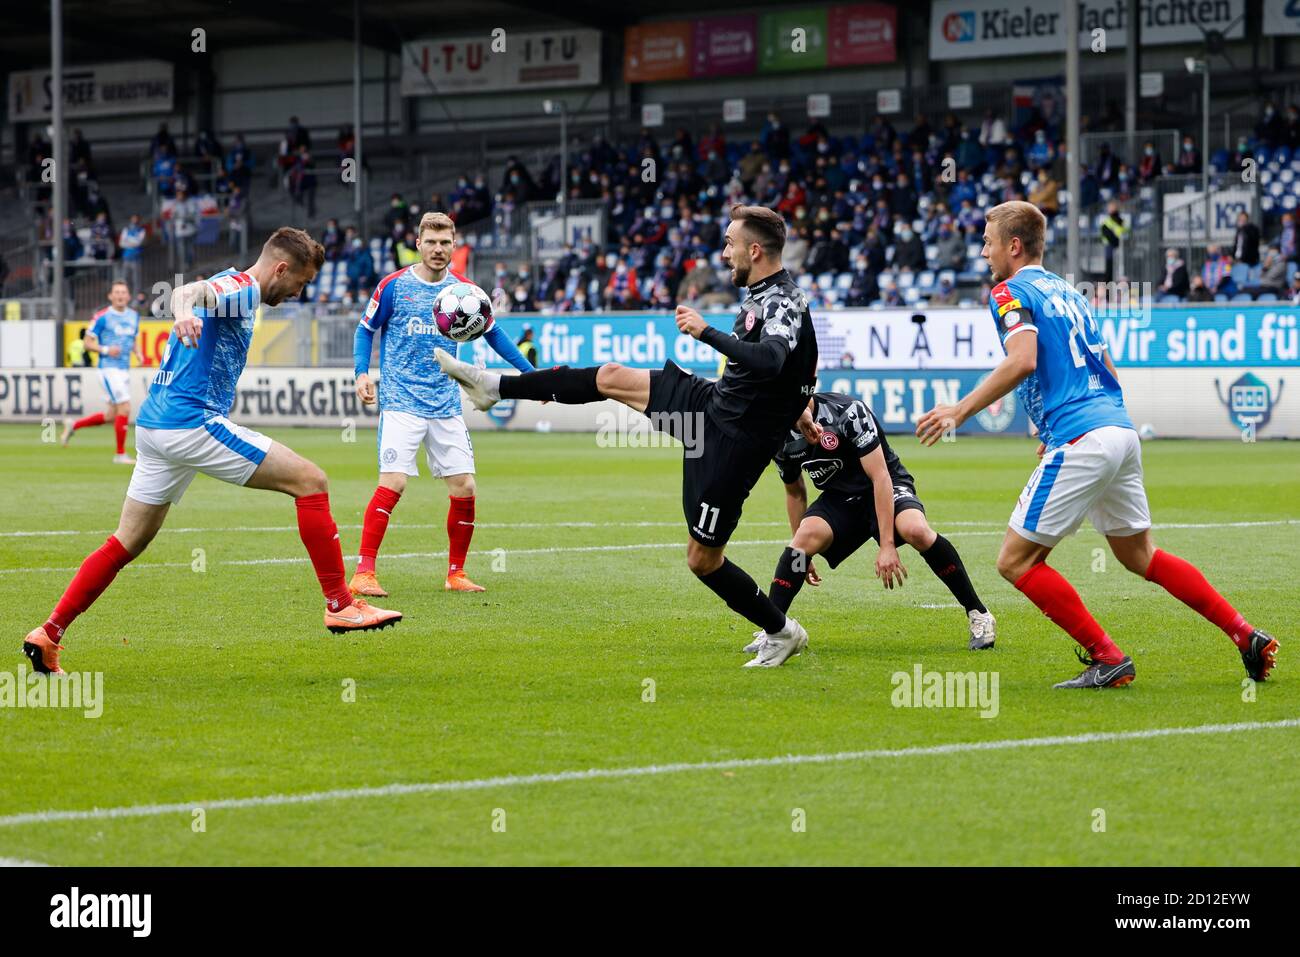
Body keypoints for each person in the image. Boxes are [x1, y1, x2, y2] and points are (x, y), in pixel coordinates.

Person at [436, 205, 821, 668]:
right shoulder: (767, 295)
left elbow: (774, 360)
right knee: (612, 376)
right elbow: (795, 370)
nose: (724, 254)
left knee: (702, 560)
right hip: (713, 406)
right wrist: (799, 409)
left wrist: (706, 333)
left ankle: (782, 630)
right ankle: (493, 386)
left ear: (754, 250)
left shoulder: (782, 300)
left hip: (732, 443)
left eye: (730, 245)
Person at [916, 201, 1276, 689]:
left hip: (1084, 437)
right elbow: (1103, 366)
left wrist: (959, 410)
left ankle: (1108, 657)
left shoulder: (1008, 291)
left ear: (1013, 246)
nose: (983, 251)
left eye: (988, 241)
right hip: (1118, 430)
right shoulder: (1072, 294)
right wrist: (1063, 429)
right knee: (1139, 555)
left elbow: (1022, 360)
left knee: (1014, 562)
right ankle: (1244, 634)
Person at [23, 228, 401, 676]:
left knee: (127, 541)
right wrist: (183, 312)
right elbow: (189, 291)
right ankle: (340, 604)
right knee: (311, 481)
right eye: (300, 282)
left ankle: (48, 633)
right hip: (190, 423)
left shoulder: (239, 290)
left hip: (155, 426)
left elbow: (200, 293)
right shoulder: (242, 289)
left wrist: (188, 312)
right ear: (281, 268)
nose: (300, 292)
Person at [350, 212, 536, 597]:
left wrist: (532, 375)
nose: (438, 249)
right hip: (401, 400)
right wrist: (360, 373)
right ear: (418, 244)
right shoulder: (394, 287)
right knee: (394, 481)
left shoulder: (466, 292)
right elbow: (365, 329)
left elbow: (495, 335)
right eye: (431, 242)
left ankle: (456, 573)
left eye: (445, 242)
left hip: (446, 402)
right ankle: (364, 572)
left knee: (465, 486)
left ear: (455, 245)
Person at [750, 391, 995, 656]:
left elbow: (880, 476)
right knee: (799, 546)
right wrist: (804, 558)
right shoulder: (778, 434)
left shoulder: (848, 412)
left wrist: (887, 544)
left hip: (885, 485)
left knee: (916, 531)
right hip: (840, 498)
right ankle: (775, 629)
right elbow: (795, 492)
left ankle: (978, 613)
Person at [61, 281, 142, 462]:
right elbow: (87, 343)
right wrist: (106, 350)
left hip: (123, 369)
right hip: (108, 369)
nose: (120, 295)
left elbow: (133, 338)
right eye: (117, 292)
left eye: (123, 292)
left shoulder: (134, 316)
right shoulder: (102, 317)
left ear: (128, 296)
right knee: (125, 407)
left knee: (111, 415)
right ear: (110, 296)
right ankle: (120, 454)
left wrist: (138, 353)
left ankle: (74, 425)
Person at [118, 214, 146, 292]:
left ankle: (136, 297)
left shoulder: (141, 230)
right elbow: (121, 243)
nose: (134, 221)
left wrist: (128, 241)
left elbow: (138, 243)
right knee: (124, 279)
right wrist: (132, 242)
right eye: (133, 219)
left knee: (136, 280)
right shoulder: (126, 229)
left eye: (136, 219)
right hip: (126, 257)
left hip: (136, 258)